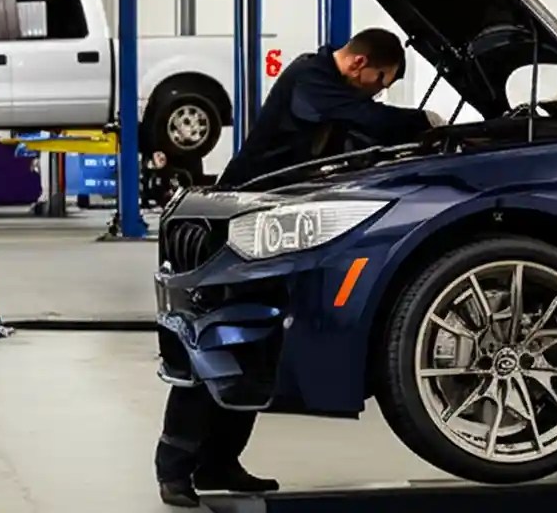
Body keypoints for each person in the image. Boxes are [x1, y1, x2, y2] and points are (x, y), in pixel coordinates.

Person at [155, 28, 443, 507]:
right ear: (358, 64)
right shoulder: (312, 78)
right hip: (234, 229)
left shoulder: (329, 86)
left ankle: (221, 462)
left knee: (258, 348)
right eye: (380, 79)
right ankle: (174, 472)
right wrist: (423, 121)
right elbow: (365, 117)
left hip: (271, 230)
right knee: (215, 344)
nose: (379, 89)